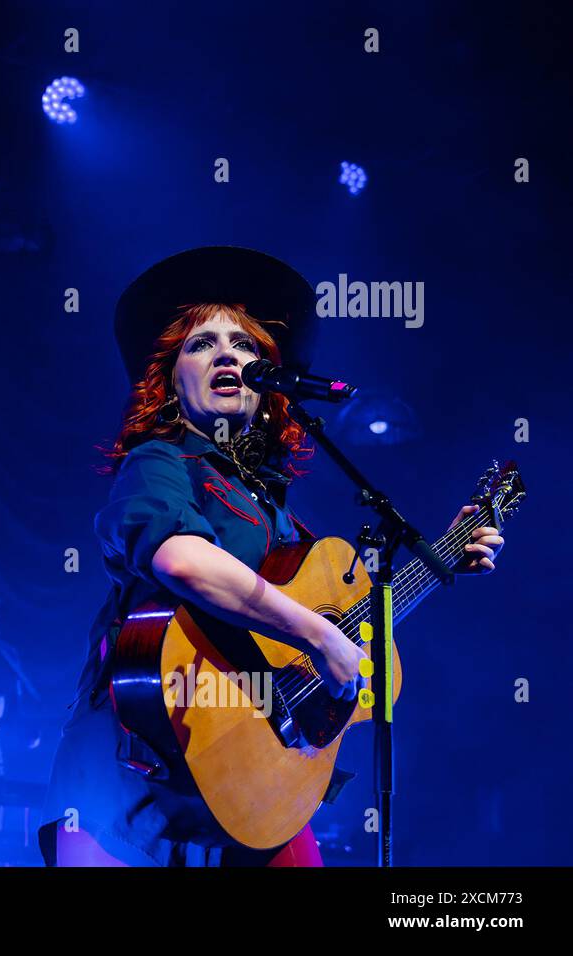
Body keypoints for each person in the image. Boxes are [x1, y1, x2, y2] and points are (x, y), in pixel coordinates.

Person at [38, 246, 504, 867]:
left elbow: (354, 647)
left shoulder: (275, 511)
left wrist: (440, 556)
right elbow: (181, 560)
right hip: (136, 784)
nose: (229, 353)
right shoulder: (160, 463)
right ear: (170, 383)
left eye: (246, 344)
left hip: (259, 791)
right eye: (201, 344)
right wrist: (317, 635)